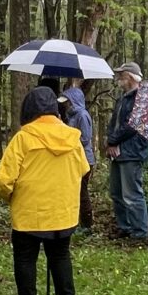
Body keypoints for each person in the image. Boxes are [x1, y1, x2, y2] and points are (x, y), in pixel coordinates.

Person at [0, 85, 87, 295]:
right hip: (63, 212)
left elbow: (4, 181)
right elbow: (83, 170)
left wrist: (11, 198)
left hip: (29, 213)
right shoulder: (72, 138)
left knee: (25, 258)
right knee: (60, 255)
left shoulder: (22, 139)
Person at [104, 63, 148, 241]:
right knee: (116, 193)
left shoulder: (141, 98)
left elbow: (132, 125)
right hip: (118, 152)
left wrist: (114, 140)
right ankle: (125, 228)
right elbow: (114, 123)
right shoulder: (123, 98)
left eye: (121, 76)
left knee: (132, 194)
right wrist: (109, 141)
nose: (119, 80)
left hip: (132, 151)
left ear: (130, 77)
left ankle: (139, 233)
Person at [62, 81, 96, 233]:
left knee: (82, 192)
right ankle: (78, 222)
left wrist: (70, 138)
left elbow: (85, 138)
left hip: (84, 159)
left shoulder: (82, 115)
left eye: (68, 102)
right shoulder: (71, 116)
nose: (66, 105)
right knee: (75, 191)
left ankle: (87, 224)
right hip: (74, 158)